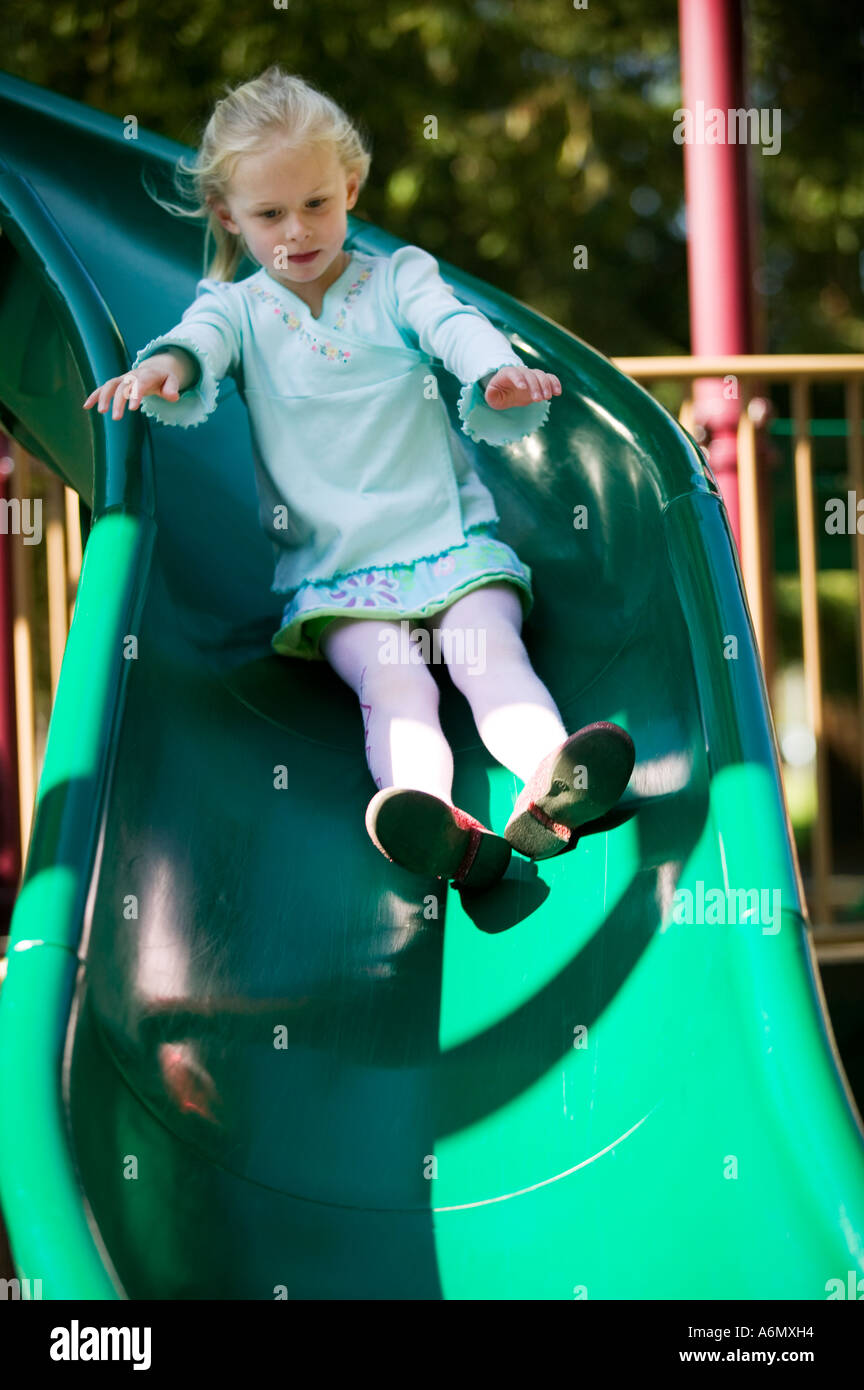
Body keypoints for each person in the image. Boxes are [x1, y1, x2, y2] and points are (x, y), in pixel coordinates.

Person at [84, 65, 634, 891]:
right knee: (396, 681)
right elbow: (194, 340)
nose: (297, 231)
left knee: (491, 658)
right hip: (342, 577)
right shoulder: (237, 309)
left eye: (317, 204)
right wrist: (160, 367)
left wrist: (494, 372)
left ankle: (549, 783)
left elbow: (450, 323)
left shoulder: (395, 281)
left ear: (350, 185)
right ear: (229, 214)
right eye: (270, 214)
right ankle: (429, 816)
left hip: (450, 546)